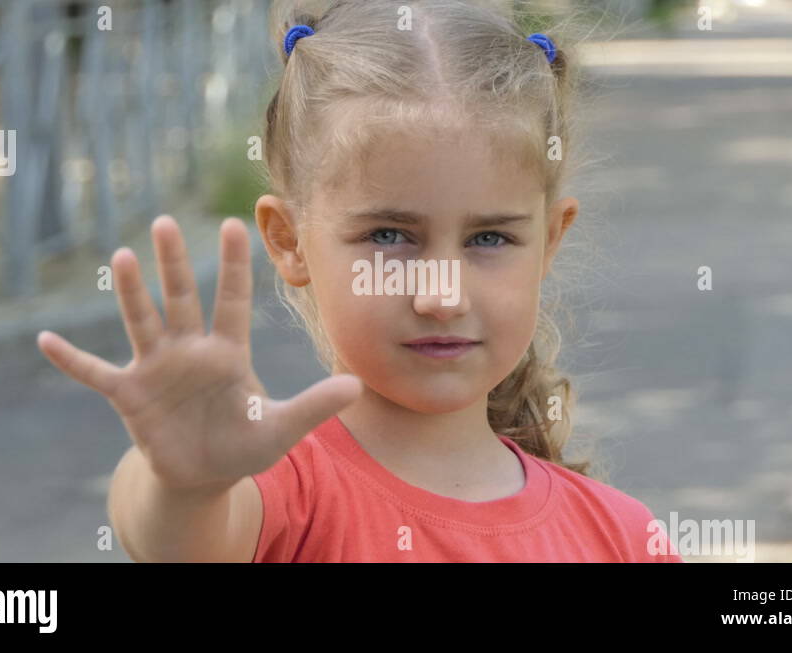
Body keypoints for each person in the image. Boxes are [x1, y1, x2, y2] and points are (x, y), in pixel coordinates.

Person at [36, 0, 683, 563]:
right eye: (389, 236)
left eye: (489, 238)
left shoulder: (621, 535)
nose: (441, 296)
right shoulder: (281, 494)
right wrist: (185, 480)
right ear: (290, 241)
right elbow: (173, 536)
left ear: (550, 240)